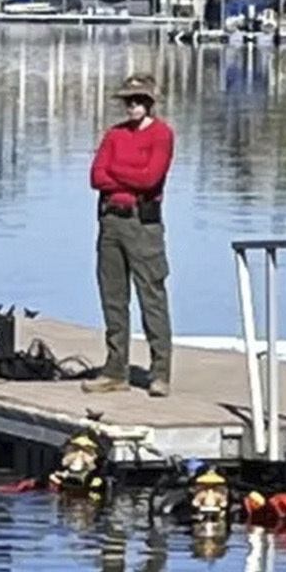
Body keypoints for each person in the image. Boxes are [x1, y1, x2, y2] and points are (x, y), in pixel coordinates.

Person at [86, 73, 176, 397]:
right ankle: (115, 370)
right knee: (113, 297)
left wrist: (118, 174)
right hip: (111, 221)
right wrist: (126, 178)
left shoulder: (162, 135)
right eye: (129, 100)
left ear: (150, 103)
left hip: (143, 225)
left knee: (151, 296)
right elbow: (97, 176)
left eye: (139, 100)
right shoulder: (114, 135)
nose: (133, 106)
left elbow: (150, 179)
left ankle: (160, 372)